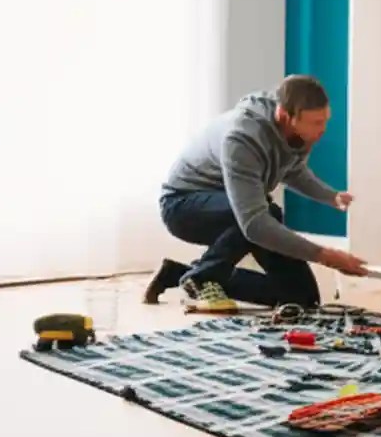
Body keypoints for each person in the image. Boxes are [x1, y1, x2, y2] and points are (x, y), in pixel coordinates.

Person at [143, 75, 368, 312]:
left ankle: (183, 274)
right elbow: (254, 224)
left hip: (232, 208)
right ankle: (201, 279)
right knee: (265, 215)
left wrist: (330, 196)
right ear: (285, 116)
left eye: (325, 120)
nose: (322, 130)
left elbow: (292, 170)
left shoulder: (297, 134)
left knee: (301, 297)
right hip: (183, 205)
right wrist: (325, 255)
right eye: (316, 123)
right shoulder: (241, 138)